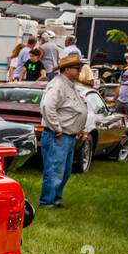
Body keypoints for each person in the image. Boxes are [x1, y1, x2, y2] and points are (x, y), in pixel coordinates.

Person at [38, 54, 88, 208]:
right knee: (54, 170)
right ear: (66, 69)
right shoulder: (58, 84)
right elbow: (47, 106)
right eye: (77, 68)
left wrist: (79, 128)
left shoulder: (69, 84)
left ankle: (55, 200)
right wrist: (56, 127)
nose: (80, 70)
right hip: (58, 136)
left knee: (64, 171)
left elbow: (71, 109)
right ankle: (47, 203)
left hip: (68, 136)